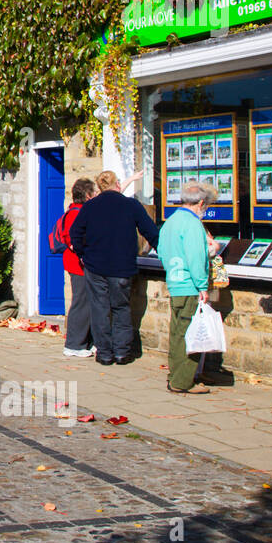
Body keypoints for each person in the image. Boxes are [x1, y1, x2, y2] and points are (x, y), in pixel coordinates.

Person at [68, 169, 159, 366]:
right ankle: (121, 352)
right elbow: (151, 231)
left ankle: (105, 353)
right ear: (118, 185)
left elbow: (75, 233)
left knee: (99, 309)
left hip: (95, 266)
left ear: (100, 187)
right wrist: (165, 253)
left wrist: (83, 254)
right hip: (122, 266)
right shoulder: (130, 205)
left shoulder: (90, 206)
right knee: (121, 308)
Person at [157, 180, 224, 394]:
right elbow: (197, 257)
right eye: (207, 206)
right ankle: (183, 382)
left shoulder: (171, 221)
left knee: (177, 334)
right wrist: (202, 285)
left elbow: (161, 251)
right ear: (201, 203)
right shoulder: (193, 224)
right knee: (191, 335)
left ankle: (176, 375)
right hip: (189, 286)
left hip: (175, 283)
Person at [54, 177, 98, 358]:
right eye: (94, 192)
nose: (96, 195)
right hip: (78, 264)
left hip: (77, 262)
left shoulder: (75, 211)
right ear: (87, 195)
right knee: (81, 302)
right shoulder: (76, 214)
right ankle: (74, 344)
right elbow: (73, 240)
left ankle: (85, 342)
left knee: (85, 301)